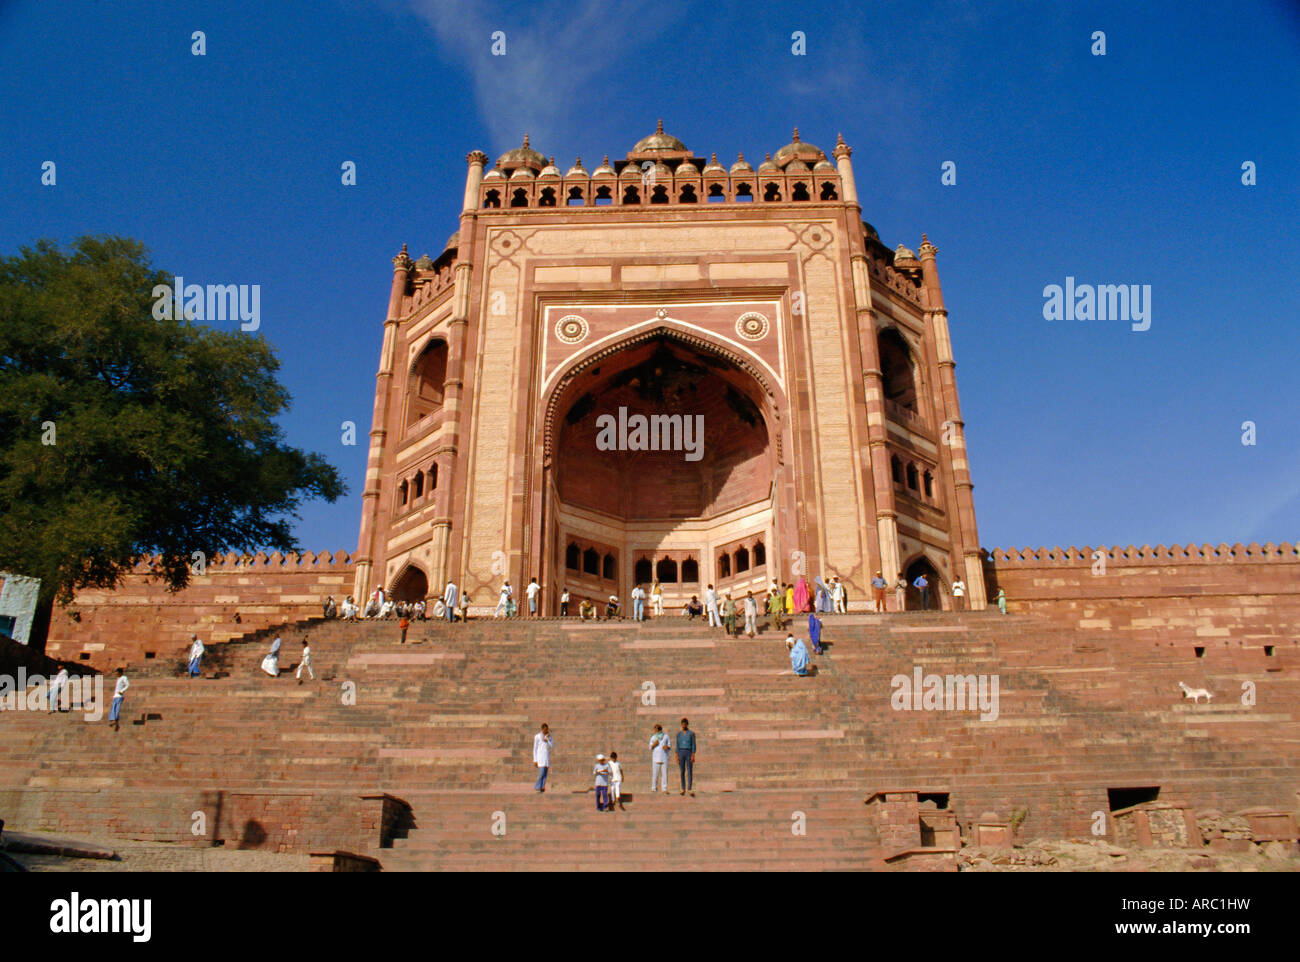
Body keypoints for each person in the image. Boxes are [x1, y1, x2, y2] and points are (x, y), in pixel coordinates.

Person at [676, 717, 697, 797]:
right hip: (681, 751)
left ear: (687, 724)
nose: (684, 725)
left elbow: (693, 744)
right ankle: (683, 788)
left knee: (689, 770)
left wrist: (693, 754)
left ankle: (689, 788)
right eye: (682, 724)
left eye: (685, 724)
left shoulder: (691, 733)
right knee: (682, 771)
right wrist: (677, 755)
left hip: (688, 751)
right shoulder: (679, 734)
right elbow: (677, 744)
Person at [649, 724, 671, 793]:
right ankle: (654, 787)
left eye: (656, 729)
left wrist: (666, 747)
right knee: (655, 774)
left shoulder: (666, 736)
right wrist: (654, 744)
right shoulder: (653, 737)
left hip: (664, 757)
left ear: (659, 729)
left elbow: (669, 746)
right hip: (656, 758)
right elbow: (650, 747)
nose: (654, 730)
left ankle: (664, 788)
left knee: (664, 774)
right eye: (654, 729)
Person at [533, 723, 552, 792]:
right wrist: (535, 760)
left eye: (546, 730)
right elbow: (535, 748)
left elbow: (552, 746)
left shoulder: (549, 736)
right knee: (541, 773)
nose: (545, 731)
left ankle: (542, 786)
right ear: (542, 729)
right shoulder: (537, 736)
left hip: (546, 757)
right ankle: (537, 786)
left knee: (545, 774)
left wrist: (548, 739)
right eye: (544, 730)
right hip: (540, 757)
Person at [108, 667, 129, 731]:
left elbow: (127, 685)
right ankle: (115, 721)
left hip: (120, 696)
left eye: (117, 673)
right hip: (115, 696)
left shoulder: (124, 678)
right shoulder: (118, 679)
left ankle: (115, 721)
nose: (116, 674)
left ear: (120, 673)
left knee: (117, 708)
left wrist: (122, 691)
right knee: (113, 708)